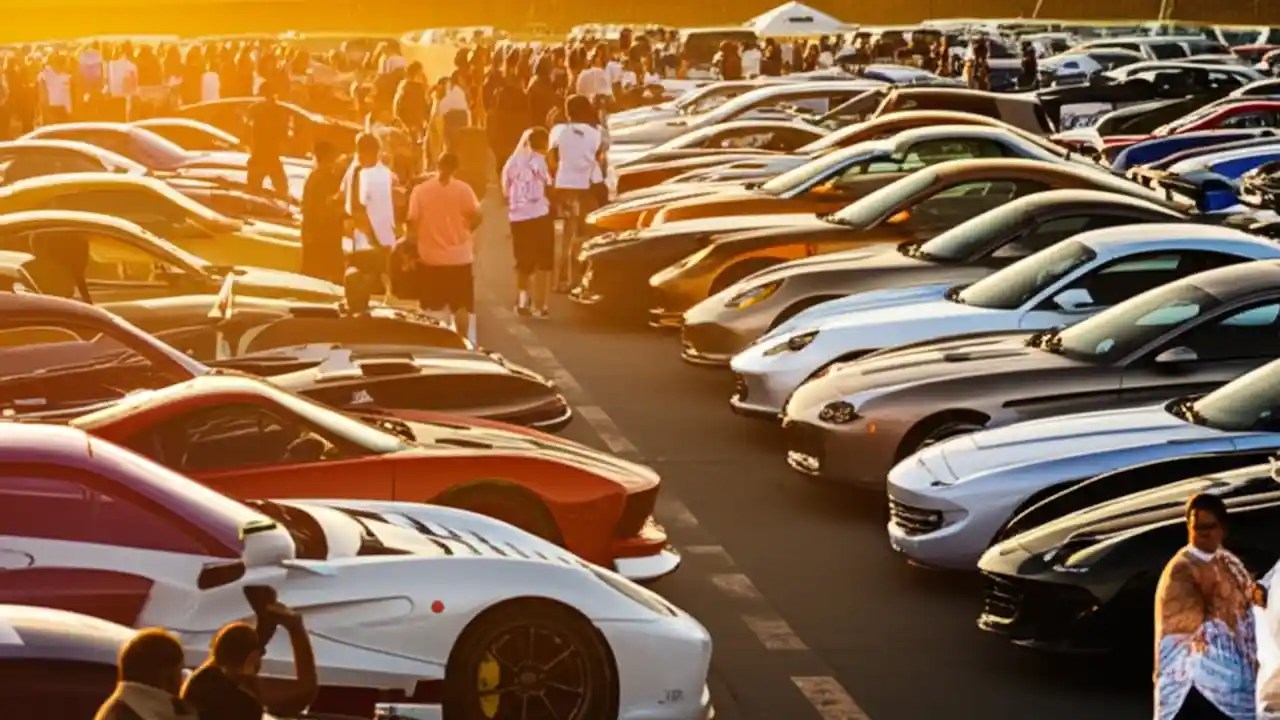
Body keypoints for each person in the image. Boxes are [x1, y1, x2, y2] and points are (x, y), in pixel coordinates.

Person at [1154, 493, 1264, 720]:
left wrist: (1257, 592)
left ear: (1222, 528)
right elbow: (1186, 629)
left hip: (1233, 682)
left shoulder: (1227, 560)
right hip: (1195, 683)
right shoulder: (1181, 569)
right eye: (1197, 527)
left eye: (1209, 526)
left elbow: (1246, 591)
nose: (1202, 533)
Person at [181, 602, 317, 720]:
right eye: (261, 654)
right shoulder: (242, 690)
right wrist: (296, 629)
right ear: (252, 657)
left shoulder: (201, 681)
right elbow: (304, 692)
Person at [407, 151, 481, 340]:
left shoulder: (420, 190)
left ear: (436, 166)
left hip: (430, 259)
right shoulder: (464, 189)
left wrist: (410, 250)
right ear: (456, 168)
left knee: (432, 309)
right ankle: (464, 341)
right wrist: (467, 230)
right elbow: (477, 216)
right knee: (462, 306)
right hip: (460, 258)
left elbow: (412, 223)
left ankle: (436, 343)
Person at [548, 94, 603, 293]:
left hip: (564, 187)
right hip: (587, 187)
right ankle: (578, 279)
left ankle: (560, 280)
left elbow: (552, 160)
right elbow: (599, 157)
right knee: (583, 235)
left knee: (566, 235)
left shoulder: (558, 131)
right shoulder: (596, 132)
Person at [503, 127, 553, 317]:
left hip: (518, 218)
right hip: (540, 216)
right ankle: (540, 306)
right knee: (543, 262)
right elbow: (550, 186)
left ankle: (523, 303)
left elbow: (505, 189)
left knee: (523, 262)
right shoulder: (543, 162)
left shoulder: (513, 162)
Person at [94, 628, 196, 720]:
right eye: (179, 671)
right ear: (166, 674)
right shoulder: (129, 713)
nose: (182, 681)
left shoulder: (126, 708)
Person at [343, 132, 398, 298]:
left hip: (372, 234)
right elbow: (358, 208)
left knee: (375, 277)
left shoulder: (363, 171)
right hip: (368, 235)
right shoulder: (360, 173)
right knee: (369, 276)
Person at [300, 140, 346, 283]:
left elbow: (307, 207)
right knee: (325, 277)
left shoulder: (313, 177)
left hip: (314, 235)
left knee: (312, 276)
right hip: (325, 236)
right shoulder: (328, 179)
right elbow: (329, 207)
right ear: (329, 157)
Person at [245, 81, 290, 195]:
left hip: (260, 152)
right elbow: (283, 131)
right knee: (281, 187)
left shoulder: (255, 108)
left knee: (253, 188)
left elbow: (246, 126)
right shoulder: (278, 110)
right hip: (269, 153)